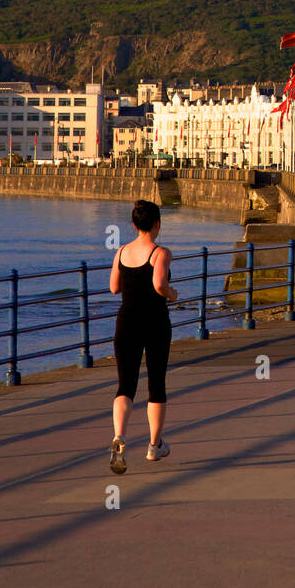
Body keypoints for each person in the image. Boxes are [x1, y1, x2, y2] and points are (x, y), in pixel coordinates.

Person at [108, 199, 178, 474]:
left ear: (134, 224)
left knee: (125, 385)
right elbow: (159, 283)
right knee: (156, 384)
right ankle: (153, 445)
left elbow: (114, 287)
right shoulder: (161, 252)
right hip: (155, 323)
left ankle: (120, 437)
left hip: (126, 323)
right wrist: (172, 294)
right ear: (157, 224)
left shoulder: (122, 251)